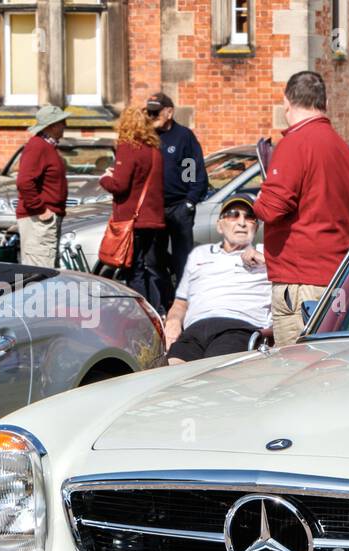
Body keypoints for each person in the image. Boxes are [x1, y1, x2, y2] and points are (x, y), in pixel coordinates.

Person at [253, 70, 349, 347]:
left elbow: (272, 208)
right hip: (337, 277)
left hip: (301, 280)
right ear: (323, 102)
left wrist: (257, 199)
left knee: (297, 372)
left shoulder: (295, 142)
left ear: (287, 101)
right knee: (331, 366)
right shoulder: (344, 150)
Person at [163, 196, 270, 363]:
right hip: (193, 331)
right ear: (220, 226)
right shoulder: (200, 254)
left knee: (212, 377)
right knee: (172, 377)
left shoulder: (267, 256)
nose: (241, 222)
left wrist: (264, 260)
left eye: (249, 217)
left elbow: (294, 283)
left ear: (256, 227)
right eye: (233, 215)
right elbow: (180, 303)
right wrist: (173, 320)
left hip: (237, 328)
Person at [99, 107, 167, 312]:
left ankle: (141, 312)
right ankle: (157, 308)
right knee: (152, 268)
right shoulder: (154, 150)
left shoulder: (128, 147)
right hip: (153, 218)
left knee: (134, 269)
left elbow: (120, 185)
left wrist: (105, 178)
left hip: (133, 220)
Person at [146, 92, 208, 306]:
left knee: (183, 260)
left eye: (156, 111)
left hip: (179, 207)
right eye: (149, 111)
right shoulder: (147, 136)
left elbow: (191, 170)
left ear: (169, 112)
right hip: (154, 210)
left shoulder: (183, 137)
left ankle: (184, 305)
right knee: (155, 260)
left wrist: (189, 201)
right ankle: (162, 304)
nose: (152, 115)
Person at [15, 105, 70, 268]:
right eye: (62, 122)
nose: (65, 125)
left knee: (46, 269)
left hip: (45, 218)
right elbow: (24, 182)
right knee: (40, 272)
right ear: (52, 126)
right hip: (38, 220)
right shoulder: (37, 146)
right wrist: (40, 209)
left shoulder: (46, 147)